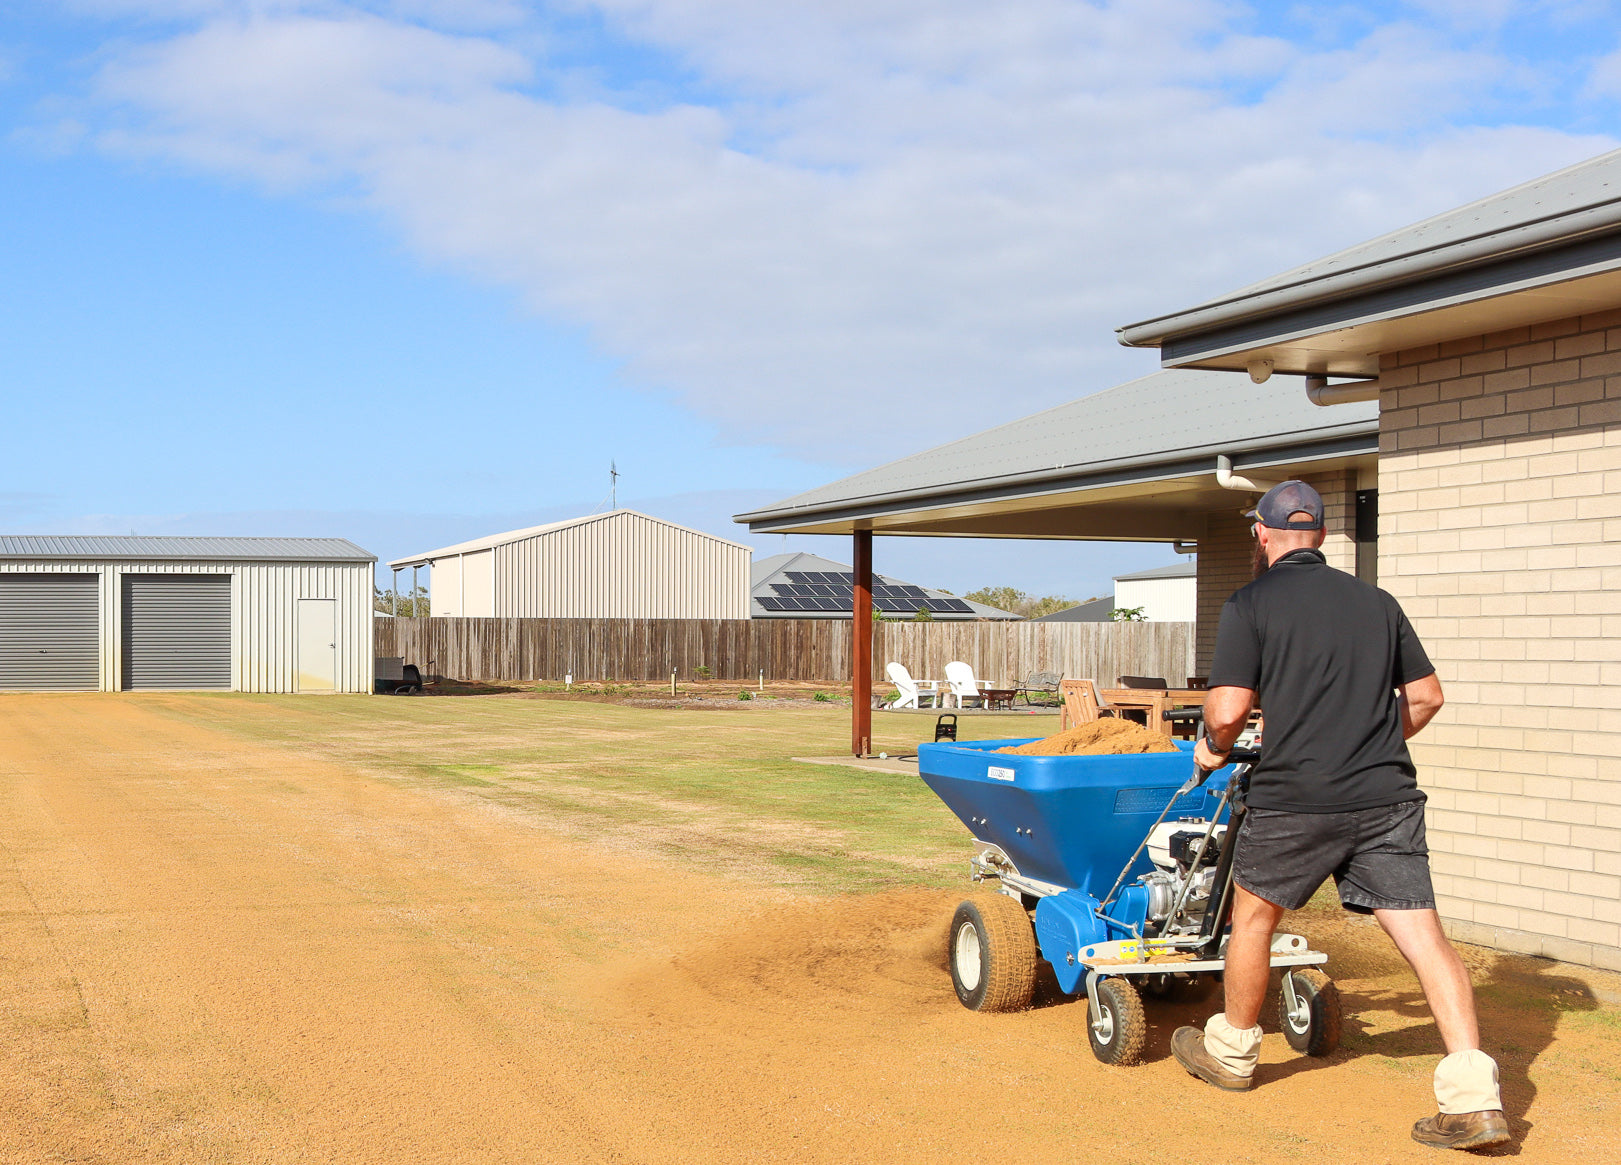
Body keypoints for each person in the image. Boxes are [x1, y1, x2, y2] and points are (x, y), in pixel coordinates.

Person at [1173, 479, 1509, 1152]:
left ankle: (1233, 1053)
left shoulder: (1250, 604)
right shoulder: (1376, 602)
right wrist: (1372, 744)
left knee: (1253, 920)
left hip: (1294, 798)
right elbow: (1427, 696)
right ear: (1322, 536)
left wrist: (1209, 750)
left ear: (1262, 535)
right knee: (1423, 938)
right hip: (1385, 798)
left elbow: (1229, 708)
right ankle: (1473, 1099)